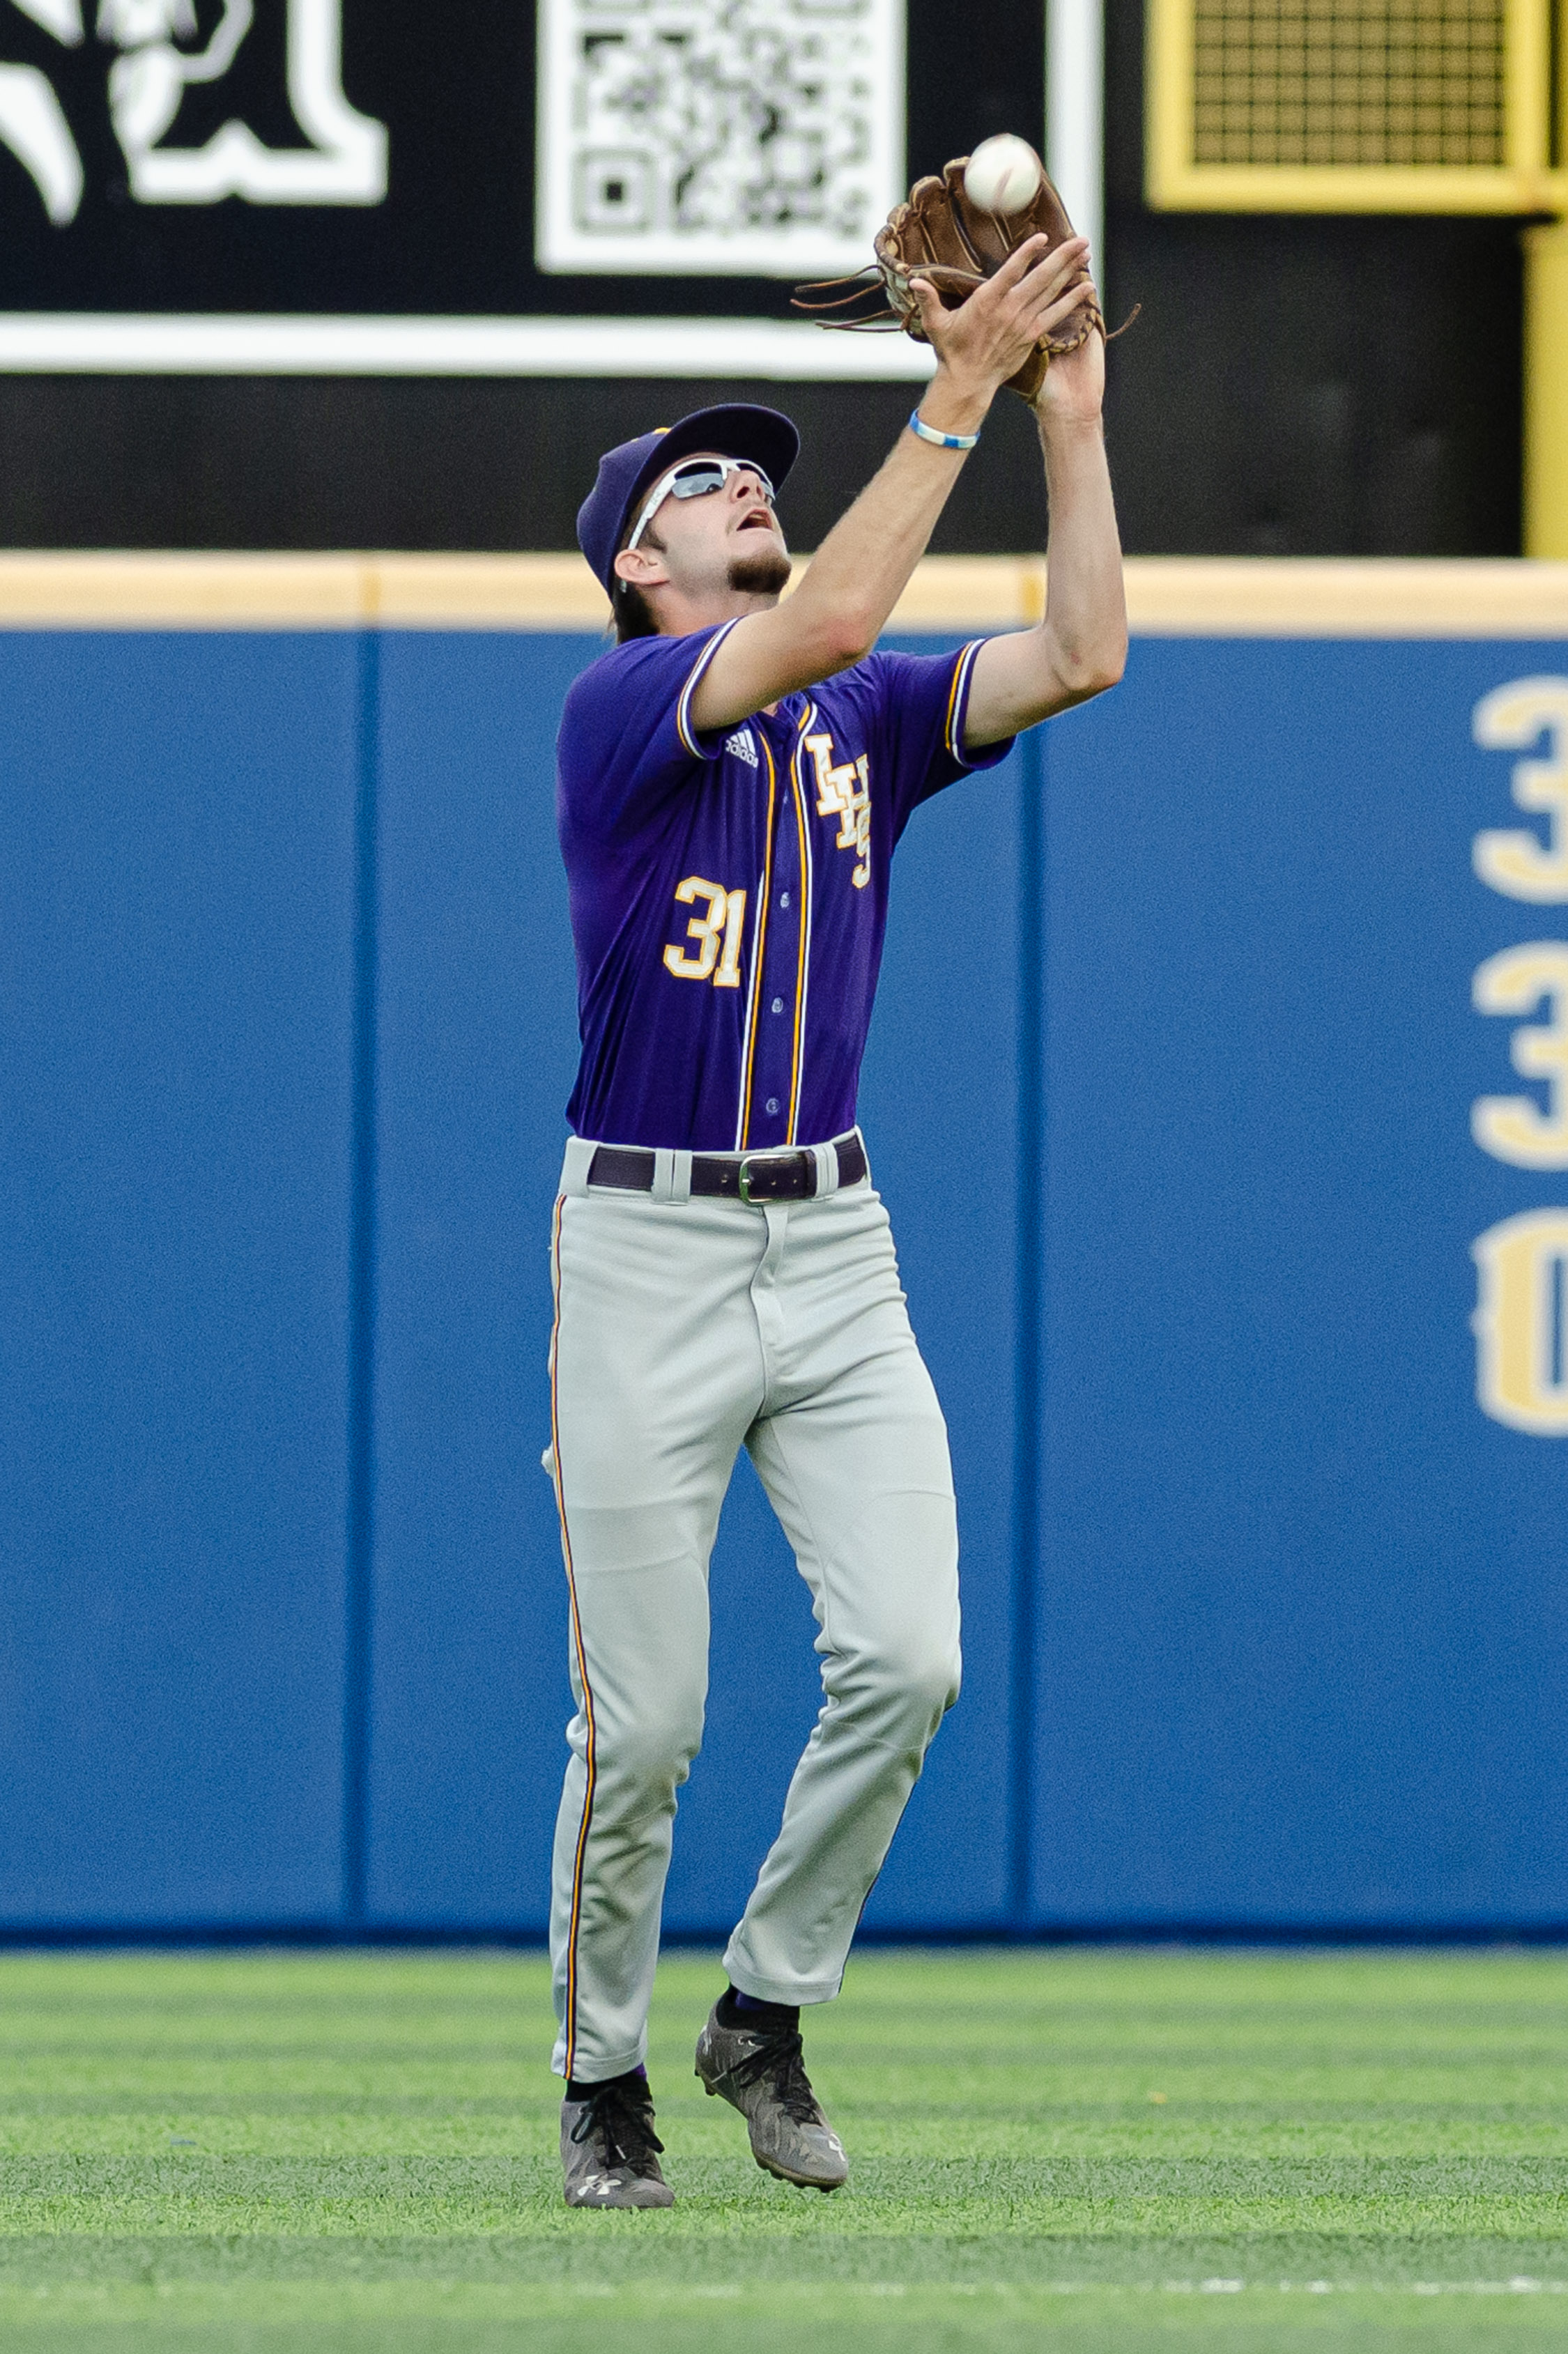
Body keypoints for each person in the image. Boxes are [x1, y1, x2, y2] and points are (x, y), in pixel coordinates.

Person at [549, 229, 1126, 2209]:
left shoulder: (863, 719)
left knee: (906, 1655)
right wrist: (950, 387)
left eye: (747, 471)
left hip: (837, 1246)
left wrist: (1066, 423)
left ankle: (762, 2011)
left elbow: (1079, 654)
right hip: (643, 1247)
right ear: (642, 563)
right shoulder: (624, 708)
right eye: (700, 483)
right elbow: (832, 615)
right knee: (653, 1723)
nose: (742, 487)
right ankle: (601, 2071)